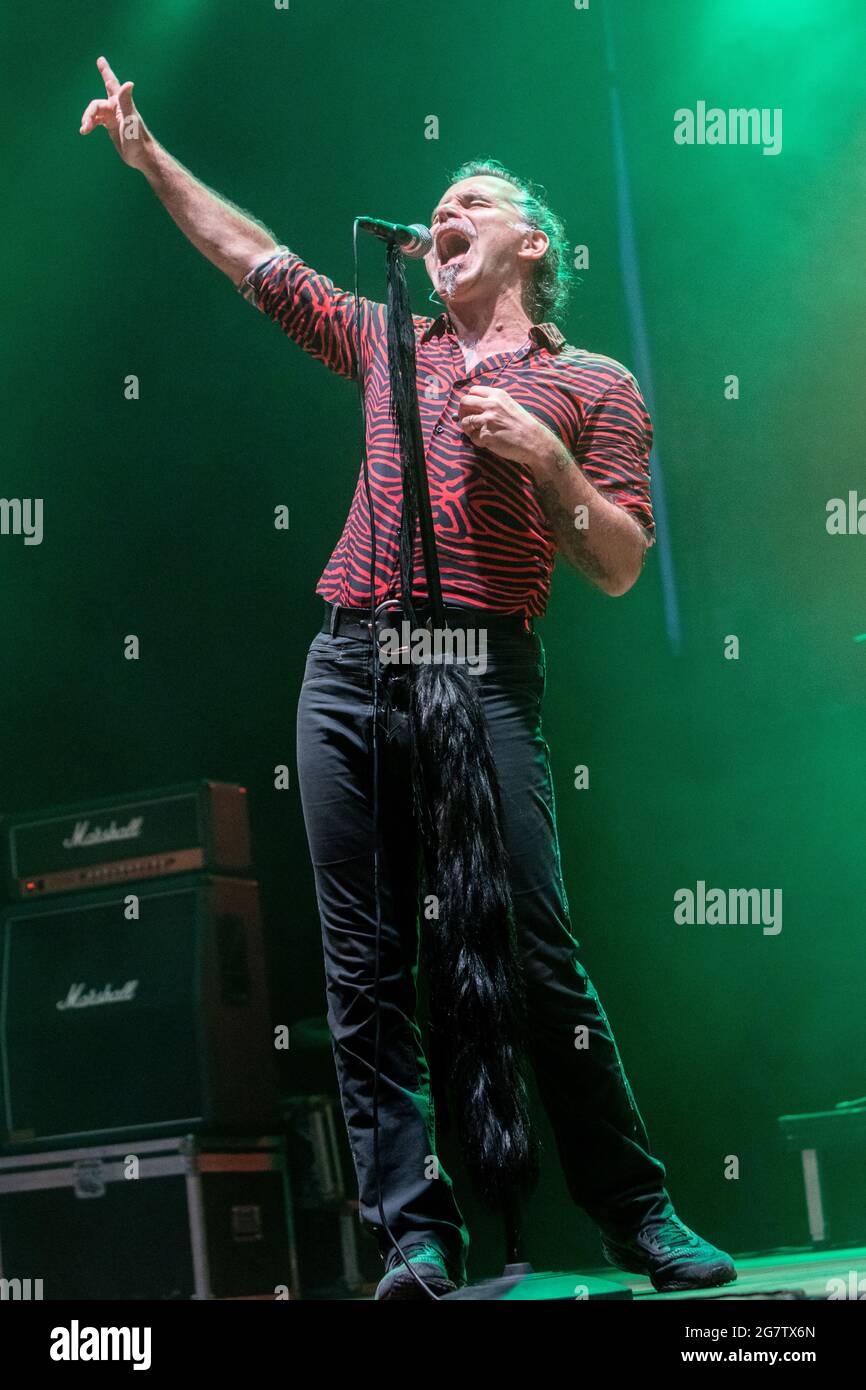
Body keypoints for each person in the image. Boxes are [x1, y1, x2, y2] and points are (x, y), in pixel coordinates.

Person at [81, 56, 736, 1300]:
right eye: (438, 201)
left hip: (479, 666)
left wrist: (549, 461)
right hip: (348, 658)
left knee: (534, 951)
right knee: (362, 964)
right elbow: (254, 263)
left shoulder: (592, 385)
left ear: (530, 244)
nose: (448, 209)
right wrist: (147, 153)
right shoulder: (392, 342)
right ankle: (414, 1237)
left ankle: (635, 1212)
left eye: (473, 198)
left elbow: (613, 563)